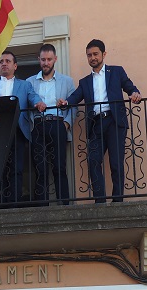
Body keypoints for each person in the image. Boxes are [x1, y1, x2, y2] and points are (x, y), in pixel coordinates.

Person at [59, 39, 141, 203]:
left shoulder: (116, 72)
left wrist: (135, 93)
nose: (92, 58)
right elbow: (76, 96)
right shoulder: (85, 81)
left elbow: (128, 85)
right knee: (93, 160)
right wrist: (66, 102)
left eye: (95, 54)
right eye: (89, 55)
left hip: (114, 121)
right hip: (96, 123)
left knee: (116, 162)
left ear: (104, 54)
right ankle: (100, 200)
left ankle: (118, 200)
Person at [0, 51, 44, 204]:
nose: (4, 64)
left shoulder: (24, 84)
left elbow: (33, 96)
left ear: (15, 66)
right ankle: (0, 203)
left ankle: (14, 202)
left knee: (17, 168)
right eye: (1, 61)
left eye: (7, 61)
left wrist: (38, 103)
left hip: (17, 130)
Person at [26, 44, 75, 204]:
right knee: (40, 168)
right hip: (38, 126)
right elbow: (26, 105)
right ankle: (42, 206)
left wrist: (66, 124)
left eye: (49, 59)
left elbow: (73, 106)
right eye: (43, 60)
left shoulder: (67, 81)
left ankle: (64, 205)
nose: (46, 63)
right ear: (38, 60)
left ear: (55, 59)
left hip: (58, 124)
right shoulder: (30, 82)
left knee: (59, 167)